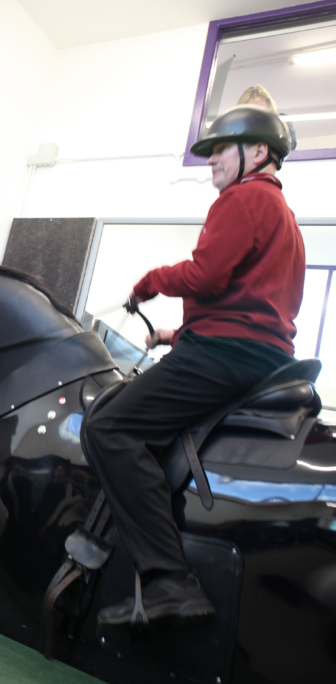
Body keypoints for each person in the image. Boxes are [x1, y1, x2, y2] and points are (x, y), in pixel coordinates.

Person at [83, 105, 303, 626]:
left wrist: (150, 281)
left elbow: (206, 277)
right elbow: (247, 306)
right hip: (256, 355)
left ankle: (168, 582)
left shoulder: (243, 198)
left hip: (227, 355)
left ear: (258, 151)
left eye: (221, 149)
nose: (212, 162)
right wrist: (173, 336)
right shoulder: (285, 218)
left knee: (109, 428)